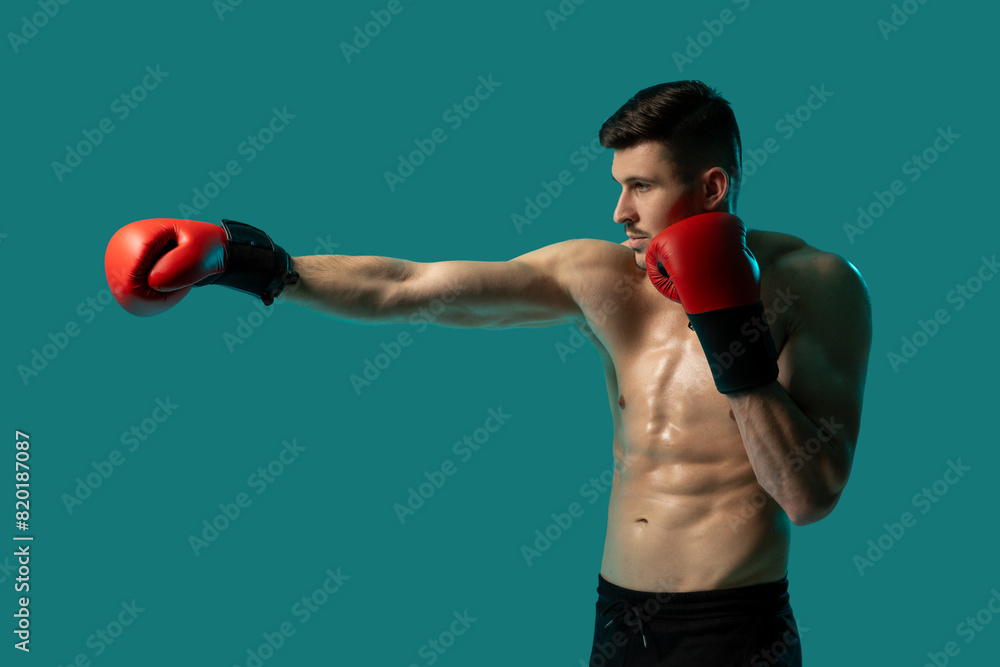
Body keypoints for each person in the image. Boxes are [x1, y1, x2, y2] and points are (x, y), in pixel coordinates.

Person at [104, 80, 872, 666]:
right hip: (618, 617)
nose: (619, 211)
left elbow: (810, 495)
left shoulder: (818, 285)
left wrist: (731, 336)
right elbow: (408, 286)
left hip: (734, 629)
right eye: (617, 185)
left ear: (710, 188)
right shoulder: (599, 276)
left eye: (641, 186)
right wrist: (251, 261)